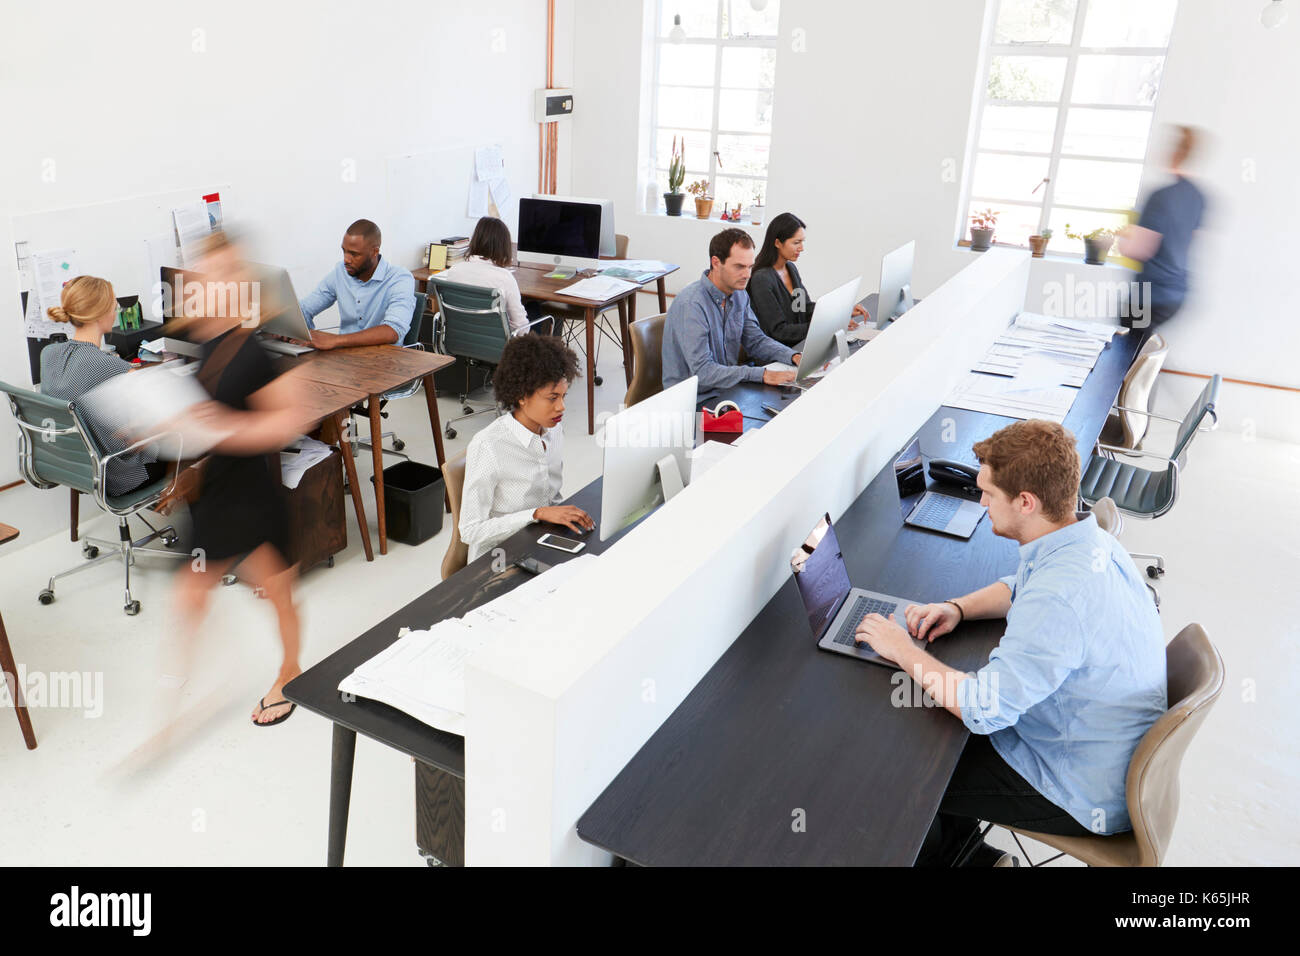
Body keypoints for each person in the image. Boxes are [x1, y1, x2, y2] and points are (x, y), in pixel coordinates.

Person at [853, 420, 1166, 866]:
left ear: (1025, 501)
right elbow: (1022, 584)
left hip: (1077, 788)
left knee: (911, 775)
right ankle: (973, 858)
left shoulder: (1060, 599)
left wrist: (901, 648)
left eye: (988, 493)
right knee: (931, 729)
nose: (980, 503)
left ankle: (957, 858)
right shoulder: (1086, 539)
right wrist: (957, 608)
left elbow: (983, 708)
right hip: (1102, 748)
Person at [172, 231, 317, 727]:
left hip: (251, 498)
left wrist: (223, 429)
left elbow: (288, 421)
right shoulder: (206, 343)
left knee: (278, 596)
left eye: (226, 275)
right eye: (208, 276)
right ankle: (175, 706)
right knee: (189, 594)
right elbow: (206, 408)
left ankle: (290, 672)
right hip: (212, 493)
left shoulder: (255, 353)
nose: (213, 286)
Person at [460, 334, 592, 563]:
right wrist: (536, 514)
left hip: (538, 542)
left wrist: (559, 515)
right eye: (552, 398)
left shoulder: (554, 430)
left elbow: (552, 499)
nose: (562, 407)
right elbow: (470, 530)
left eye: (563, 396)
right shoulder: (489, 446)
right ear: (522, 396)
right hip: (498, 558)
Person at [40, 276, 167, 496]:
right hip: (119, 476)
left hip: (76, 469)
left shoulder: (49, 354)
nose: (116, 309)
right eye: (113, 304)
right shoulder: (111, 367)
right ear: (100, 313)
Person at [661, 227, 803, 399]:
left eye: (750, 267)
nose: (747, 274)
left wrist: (793, 356)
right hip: (691, 404)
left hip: (727, 391)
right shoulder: (691, 305)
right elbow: (703, 372)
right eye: (739, 267)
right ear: (715, 262)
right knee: (766, 419)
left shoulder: (739, 294)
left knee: (788, 406)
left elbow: (756, 340)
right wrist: (762, 374)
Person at [1118, 125, 1207, 329]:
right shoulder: (1199, 197)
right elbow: (1189, 241)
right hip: (1177, 294)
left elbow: (1138, 250)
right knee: (1141, 347)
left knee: (1125, 354)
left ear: (1173, 153)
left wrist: (1123, 238)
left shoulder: (1160, 197)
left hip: (1149, 296)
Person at [748, 213, 868, 346]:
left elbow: (805, 308)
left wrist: (843, 312)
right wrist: (830, 327)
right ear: (777, 243)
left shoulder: (790, 268)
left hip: (800, 344)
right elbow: (779, 332)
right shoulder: (761, 279)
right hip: (780, 353)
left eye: (802, 242)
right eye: (796, 242)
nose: (801, 248)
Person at [299, 218, 417, 349]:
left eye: (354, 254)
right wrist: (285, 328)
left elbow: (393, 331)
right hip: (343, 358)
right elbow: (304, 309)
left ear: (374, 252)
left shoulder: (399, 278)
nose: (346, 259)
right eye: (344, 251)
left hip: (384, 361)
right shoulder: (340, 272)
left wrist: (336, 340)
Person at [438, 216, 551, 334]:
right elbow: (521, 328)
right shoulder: (505, 278)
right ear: (504, 247)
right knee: (534, 308)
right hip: (498, 347)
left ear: (475, 240)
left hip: (460, 340)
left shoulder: (454, 271)